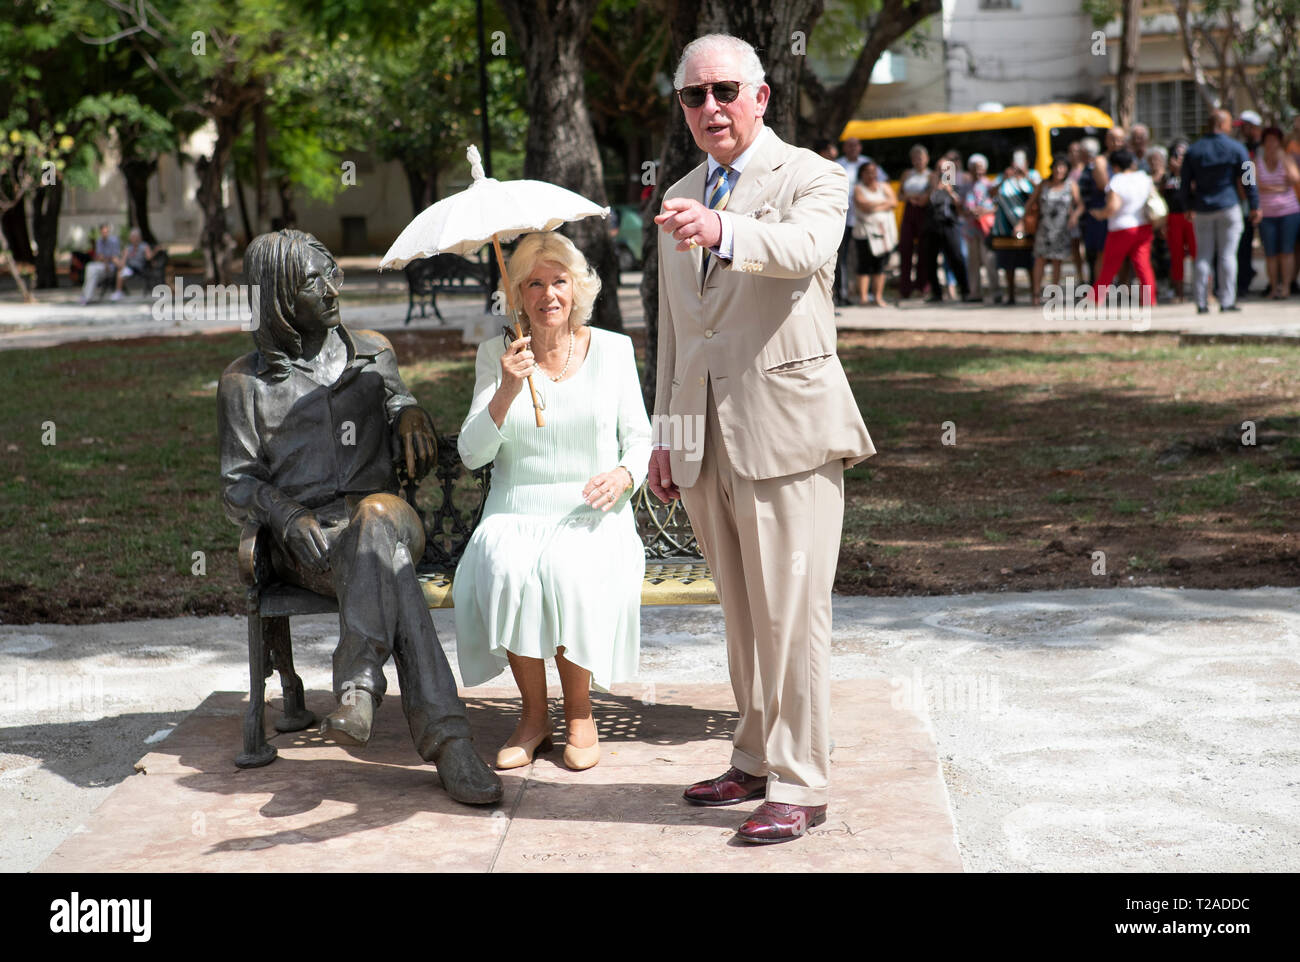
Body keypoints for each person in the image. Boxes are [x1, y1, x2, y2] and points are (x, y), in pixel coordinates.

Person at [650, 33, 875, 845]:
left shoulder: (813, 176)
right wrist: (667, 437)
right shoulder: (679, 190)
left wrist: (722, 231)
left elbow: (806, 250)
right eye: (693, 96)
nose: (709, 107)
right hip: (705, 438)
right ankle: (751, 757)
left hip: (790, 432)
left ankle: (802, 783)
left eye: (724, 91)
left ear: (761, 95)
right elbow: (678, 332)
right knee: (743, 616)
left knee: (793, 615)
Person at [217, 228, 502, 806]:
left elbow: (397, 398)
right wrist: (286, 514)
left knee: (375, 520)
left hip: (390, 513)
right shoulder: (243, 383)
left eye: (333, 275)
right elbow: (237, 483)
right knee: (388, 568)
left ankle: (359, 684)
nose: (330, 290)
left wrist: (410, 411)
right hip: (312, 546)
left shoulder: (372, 351)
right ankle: (450, 745)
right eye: (312, 281)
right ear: (277, 296)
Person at [453, 232, 651, 771]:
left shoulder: (613, 350)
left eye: (558, 281)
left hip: (591, 509)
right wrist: (506, 391)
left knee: (567, 569)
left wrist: (623, 475)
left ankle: (581, 712)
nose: (548, 295)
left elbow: (639, 437)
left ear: (577, 287)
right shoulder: (497, 356)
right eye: (533, 284)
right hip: (516, 508)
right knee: (507, 567)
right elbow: (471, 454)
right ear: (516, 294)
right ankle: (534, 716)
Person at [1181, 108, 1261, 313]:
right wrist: (1254, 205)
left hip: (1202, 208)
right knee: (1227, 255)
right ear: (1223, 125)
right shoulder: (1236, 148)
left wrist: (1188, 206)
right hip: (1228, 206)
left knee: (1203, 255)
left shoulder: (1194, 150)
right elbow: (1248, 177)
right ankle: (1227, 301)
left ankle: (1201, 302)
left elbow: (1184, 182)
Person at [1091, 148, 1156, 306]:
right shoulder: (1144, 178)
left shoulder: (1117, 180)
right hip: (1143, 226)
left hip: (1121, 229)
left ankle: (1095, 299)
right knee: (1143, 265)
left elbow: (1113, 206)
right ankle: (1149, 300)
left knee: (1110, 266)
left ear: (1115, 166)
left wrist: (1100, 214)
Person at [1030, 154, 1082, 306]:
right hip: (1044, 228)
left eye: (1063, 167)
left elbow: (1080, 205)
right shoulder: (1043, 184)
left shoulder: (1071, 185)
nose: (1059, 170)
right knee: (1040, 259)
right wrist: (1022, 222)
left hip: (1061, 229)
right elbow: (1031, 203)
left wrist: (1074, 216)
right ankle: (1036, 293)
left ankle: (1054, 294)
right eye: (1057, 167)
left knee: (1057, 261)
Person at [922, 155, 975, 302]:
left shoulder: (956, 183)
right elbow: (924, 201)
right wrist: (934, 187)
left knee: (957, 257)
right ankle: (936, 293)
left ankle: (965, 291)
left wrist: (949, 190)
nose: (942, 172)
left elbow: (960, 205)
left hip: (950, 224)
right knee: (931, 260)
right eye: (939, 169)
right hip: (933, 225)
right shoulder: (931, 183)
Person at [1255, 126, 1300, 299]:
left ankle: (1286, 288)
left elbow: (1295, 178)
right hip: (1266, 214)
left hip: (1289, 211)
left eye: (1274, 140)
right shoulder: (1254, 161)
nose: (1271, 144)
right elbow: (1251, 183)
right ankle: (1274, 288)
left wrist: (1268, 187)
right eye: (1268, 140)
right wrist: (1279, 187)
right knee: (1270, 253)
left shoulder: (1286, 158)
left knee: (1286, 250)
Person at [990, 151, 1039, 304]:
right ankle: (1010, 295)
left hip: (1027, 226)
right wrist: (1004, 179)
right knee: (1007, 262)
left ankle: (1034, 294)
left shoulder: (1033, 175)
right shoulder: (1003, 177)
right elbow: (991, 194)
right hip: (1005, 227)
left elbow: (1040, 192)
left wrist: (1027, 177)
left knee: (1029, 261)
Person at [852, 160, 897, 307]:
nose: (871, 175)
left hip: (883, 232)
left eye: (873, 171)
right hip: (864, 232)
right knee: (864, 264)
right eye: (868, 172)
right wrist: (883, 203)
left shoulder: (884, 186)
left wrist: (874, 205)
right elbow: (862, 205)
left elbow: (894, 202)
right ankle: (864, 298)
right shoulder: (858, 188)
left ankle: (878, 297)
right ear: (862, 174)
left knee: (880, 265)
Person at [1160, 139, 1197, 303]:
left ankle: (1204, 292)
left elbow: (1196, 190)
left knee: (1198, 254)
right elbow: (1161, 198)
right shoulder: (1166, 177)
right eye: (1176, 154)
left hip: (1191, 216)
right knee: (1176, 257)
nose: (1179, 157)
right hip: (1173, 218)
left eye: (1183, 154)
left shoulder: (1194, 173)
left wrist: (1183, 172)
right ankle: (1179, 294)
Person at [834, 137, 868, 304]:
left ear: (860, 147)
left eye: (856, 145)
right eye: (849, 146)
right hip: (844, 218)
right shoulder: (839, 164)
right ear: (845, 148)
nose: (853, 148)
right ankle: (843, 294)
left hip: (863, 219)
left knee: (866, 256)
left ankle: (865, 294)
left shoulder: (867, 163)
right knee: (842, 257)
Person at [898, 144, 933, 298]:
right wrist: (911, 197)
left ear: (927, 159)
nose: (918, 161)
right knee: (905, 248)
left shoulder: (931, 175)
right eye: (915, 158)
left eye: (921, 158)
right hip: (909, 211)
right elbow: (900, 195)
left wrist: (921, 198)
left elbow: (930, 195)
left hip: (924, 213)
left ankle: (922, 286)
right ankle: (905, 288)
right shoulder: (907, 174)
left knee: (924, 250)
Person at [1236, 109, 1264, 299]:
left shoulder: (1267, 145)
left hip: (1271, 202)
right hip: (1247, 202)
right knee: (1243, 244)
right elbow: (1244, 177)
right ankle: (1243, 281)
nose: (1242, 130)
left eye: (1245, 127)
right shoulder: (1241, 148)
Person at [962, 153, 997, 301]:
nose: (977, 171)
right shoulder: (965, 187)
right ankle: (974, 292)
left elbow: (997, 205)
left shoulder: (990, 185)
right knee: (972, 262)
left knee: (990, 261)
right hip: (970, 228)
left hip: (986, 228)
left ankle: (996, 292)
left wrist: (984, 211)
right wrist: (968, 211)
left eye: (980, 168)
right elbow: (960, 208)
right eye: (974, 168)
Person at [1077, 137, 1109, 284]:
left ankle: (1098, 285)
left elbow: (1103, 187)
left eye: (1080, 152)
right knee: (1091, 252)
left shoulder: (1096, 166)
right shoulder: (1085, 167)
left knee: (1099, 252)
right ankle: (1094, 283)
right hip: (1088, 217)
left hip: (1097, 215)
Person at [1146, 146, 1171, 298]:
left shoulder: (1168, 178)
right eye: (1152, 159)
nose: (1155, 162)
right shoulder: (1145, 178)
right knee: (1152, 256)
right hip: (1150, 221)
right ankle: (1155, 285)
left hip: (1165, 221)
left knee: (1167, 255)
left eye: (1158, 159)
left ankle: (1168, 283)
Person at [79, 224, 120, 305]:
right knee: (90, 268)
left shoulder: (114, 241)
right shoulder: (99, 241)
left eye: (107, 232)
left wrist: (106, 260)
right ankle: (87, 297)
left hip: (110, 267)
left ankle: (85, 296)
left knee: (92, 270)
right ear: (101, 232)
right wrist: (105, 260)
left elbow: (114, 257)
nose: (105, 233)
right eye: (103, 232)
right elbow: (99, 256)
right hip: (102, 265)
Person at [110, 229, 153, 301]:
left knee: (120, 271)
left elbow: (149, 257)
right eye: (132, 237)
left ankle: (118, 292)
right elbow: (123, 260)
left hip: (138, 267)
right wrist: (125, 254)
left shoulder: (144, 246)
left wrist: (154, 251)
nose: (132, 239)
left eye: (134, 237)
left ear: (138, 238)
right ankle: (123, 271)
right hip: (128, 266)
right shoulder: (128, 247)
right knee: (116, 260)